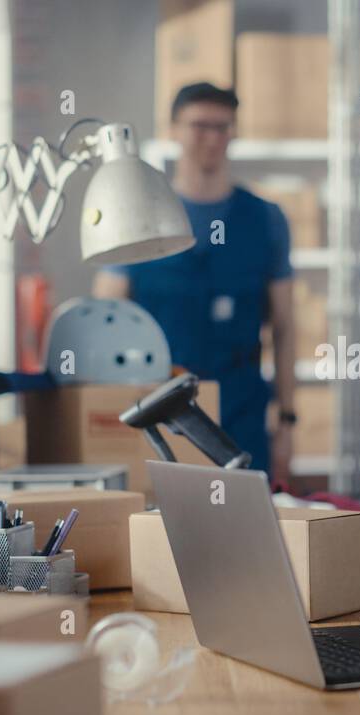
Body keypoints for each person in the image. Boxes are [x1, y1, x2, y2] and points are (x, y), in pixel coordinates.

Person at [94, 82, 296, 483]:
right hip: (162, 413)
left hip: (242, 411)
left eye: (223, 127)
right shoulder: (140, 216)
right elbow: (104, 321)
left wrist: (288, 421)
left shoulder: (266, 219)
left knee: (249, 530)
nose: (212, 138)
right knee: (166, 531)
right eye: (200, 125)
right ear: (173, 130)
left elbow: (286, 328)